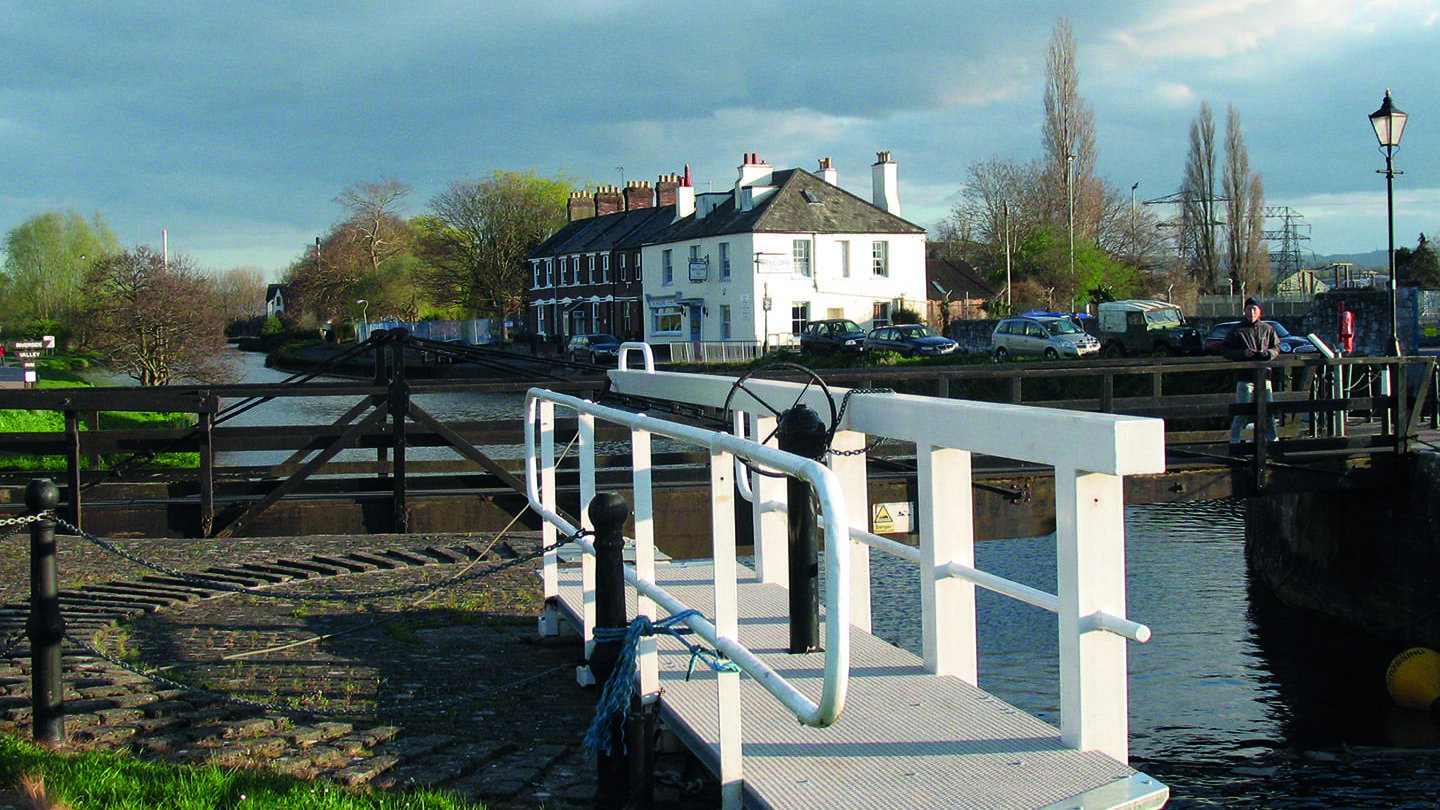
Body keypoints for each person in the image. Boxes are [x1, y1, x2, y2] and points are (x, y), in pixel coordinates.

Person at [1221, 297, 1280, 443]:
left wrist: (1268, 354)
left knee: (1268, 411)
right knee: (1242, 412)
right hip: (1245, 376)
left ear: (1259, 312)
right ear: (1244, 311)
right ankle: (1234, 441)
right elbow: (1225, 349)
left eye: (1254, 309)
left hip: (1264, 375)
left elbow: (1276, 347)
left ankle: (1273, 440)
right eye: (1249, 309)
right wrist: (1243, 354)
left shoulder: (1268, 329)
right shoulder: (1236, 330)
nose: (1251, 312)